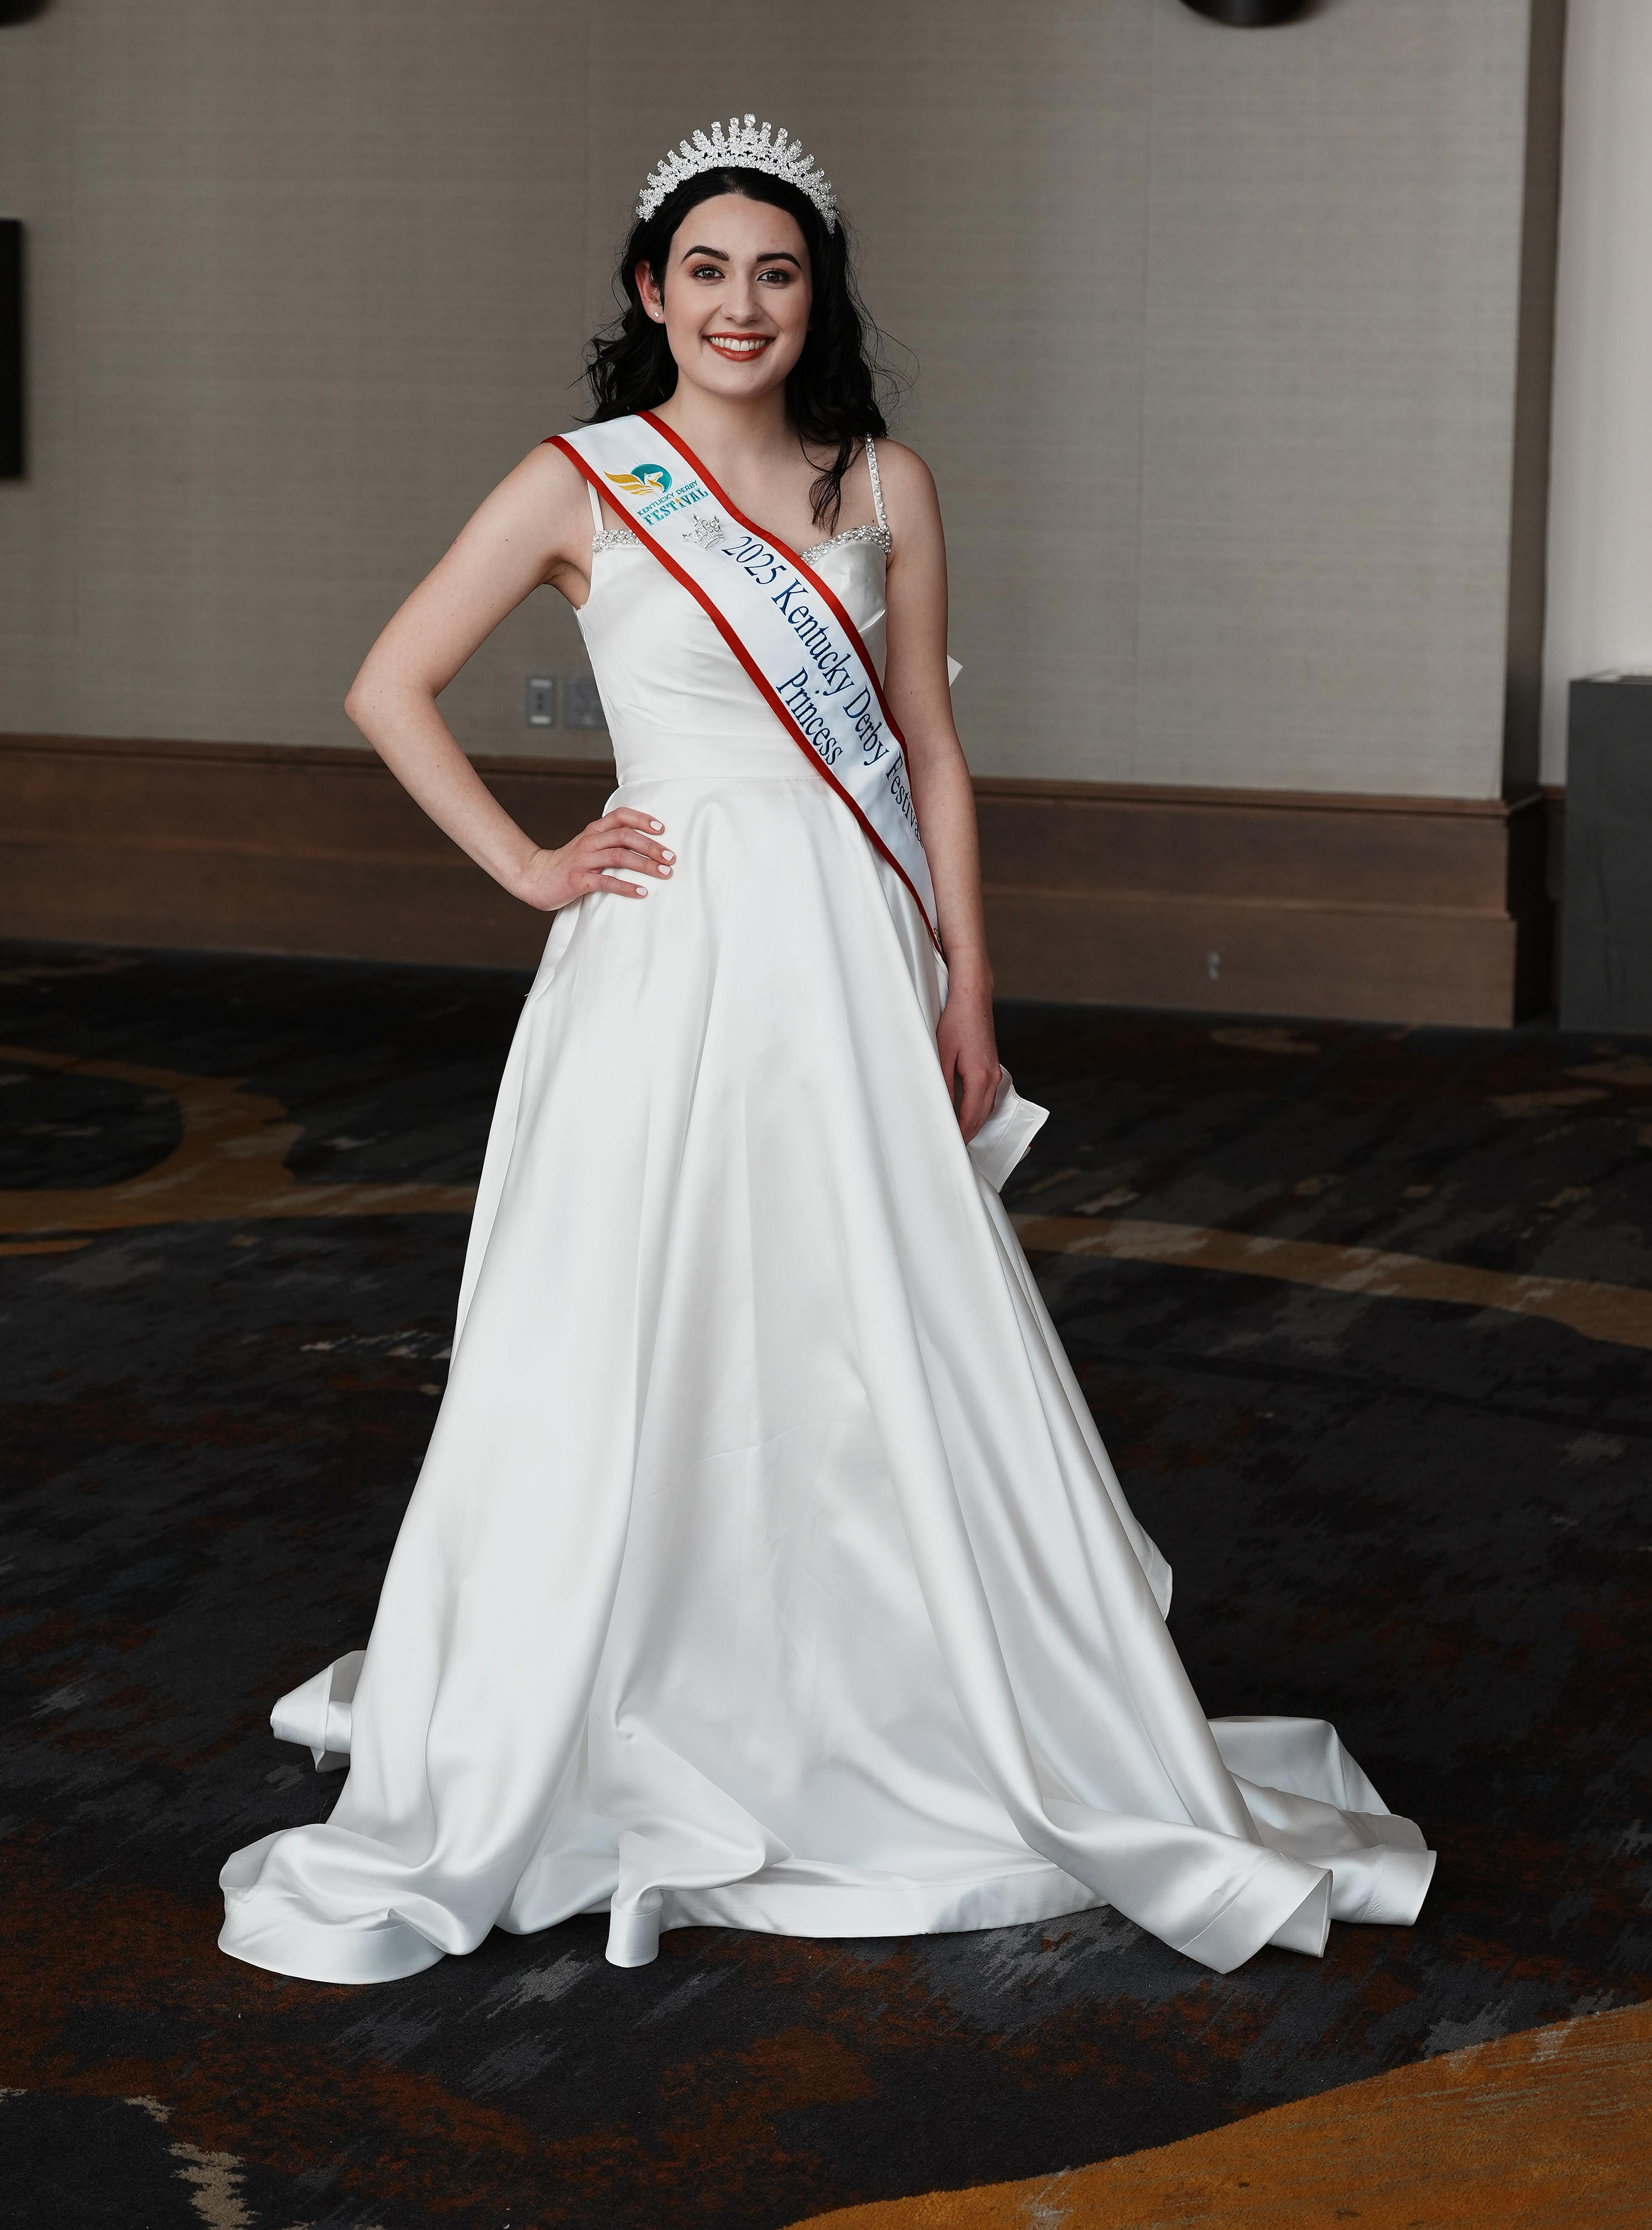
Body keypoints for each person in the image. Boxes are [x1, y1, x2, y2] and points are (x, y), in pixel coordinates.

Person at [219, 117, 1433, 1984]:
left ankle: (891, 1676)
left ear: (815, 299)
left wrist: (968, 989)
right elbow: (388, 684)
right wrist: (539, 864)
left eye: (775, 272)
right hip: (667, 959)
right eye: (704, 269)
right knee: (634, 1316)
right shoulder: (586, 484)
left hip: (852, 962)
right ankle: (615, 1671)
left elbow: (930, 758)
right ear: (651, 292)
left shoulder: (886, 483)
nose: (739, 303)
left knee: (864, 1321)